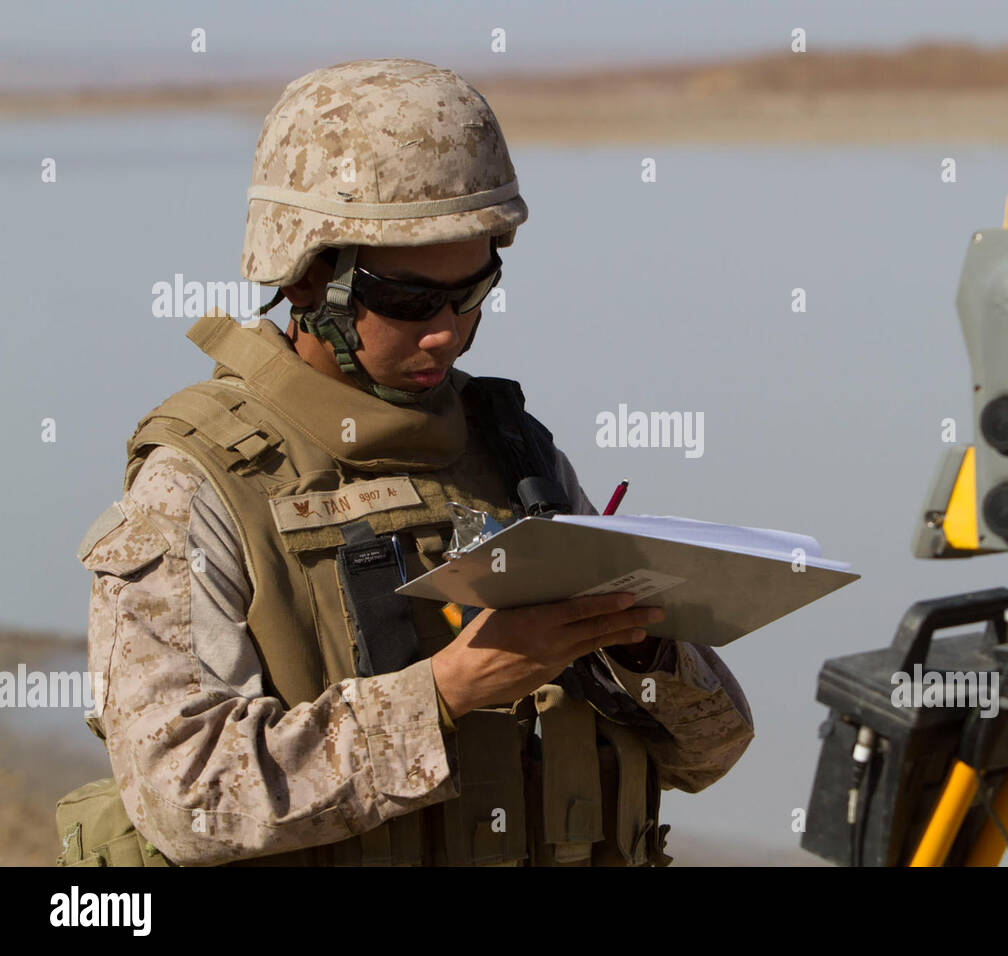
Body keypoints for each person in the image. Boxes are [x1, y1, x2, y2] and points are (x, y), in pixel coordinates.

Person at [58, 58, 753, 867]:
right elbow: (188, 797)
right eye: (411, 302)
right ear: (309, 276)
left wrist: (641, 653)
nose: (446, 333)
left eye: (473, 291)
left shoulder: (516, 454)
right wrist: (447, 693)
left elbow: (711, 754)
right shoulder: (197, 486)